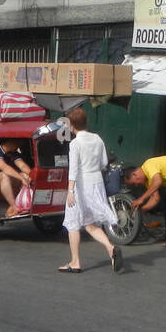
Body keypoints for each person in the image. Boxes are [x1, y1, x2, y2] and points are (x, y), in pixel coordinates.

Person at [57, 108, 122, 274]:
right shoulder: (98, 139)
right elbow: (103, 162)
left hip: (80, 185)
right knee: (90, 223)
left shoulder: (75, 144)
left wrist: (70, 191)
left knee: (73, 223)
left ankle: (75, 261)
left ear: (71, 126)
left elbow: (73, 169)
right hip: (97, 183)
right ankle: (110, 247)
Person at [0, 136, 32, 216]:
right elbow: (4, 167)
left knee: (25, 176)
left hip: (6, 185)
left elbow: (22, 166)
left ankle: (24, 204)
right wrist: (21, 178)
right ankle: (14, 206)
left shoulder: (14, 154)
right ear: (11, 141)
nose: (19, 145)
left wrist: (31, 176)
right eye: (19, 143)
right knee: (4, 175)